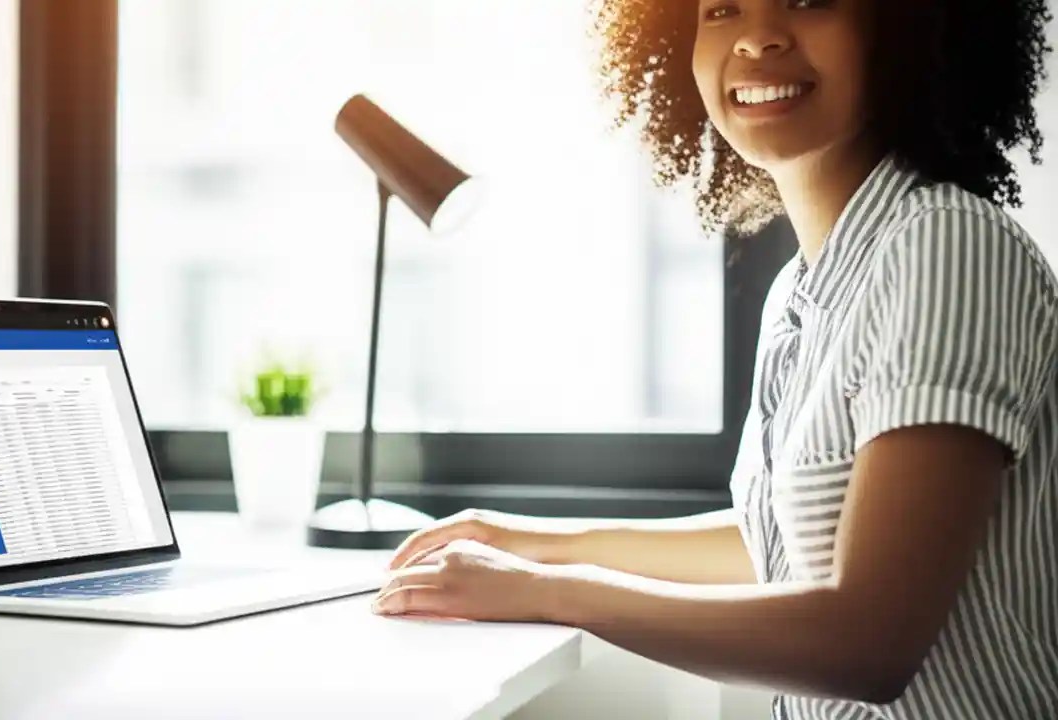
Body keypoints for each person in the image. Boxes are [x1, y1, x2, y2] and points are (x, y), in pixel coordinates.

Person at [372, 0, 1058, 717]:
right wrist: (528, 541)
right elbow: (776, 542)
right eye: (721, 8)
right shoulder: (804, 287)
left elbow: (869, 641)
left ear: (898, 27)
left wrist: (544, 592)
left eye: (806, 0)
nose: (757, 38)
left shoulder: (948, 248)